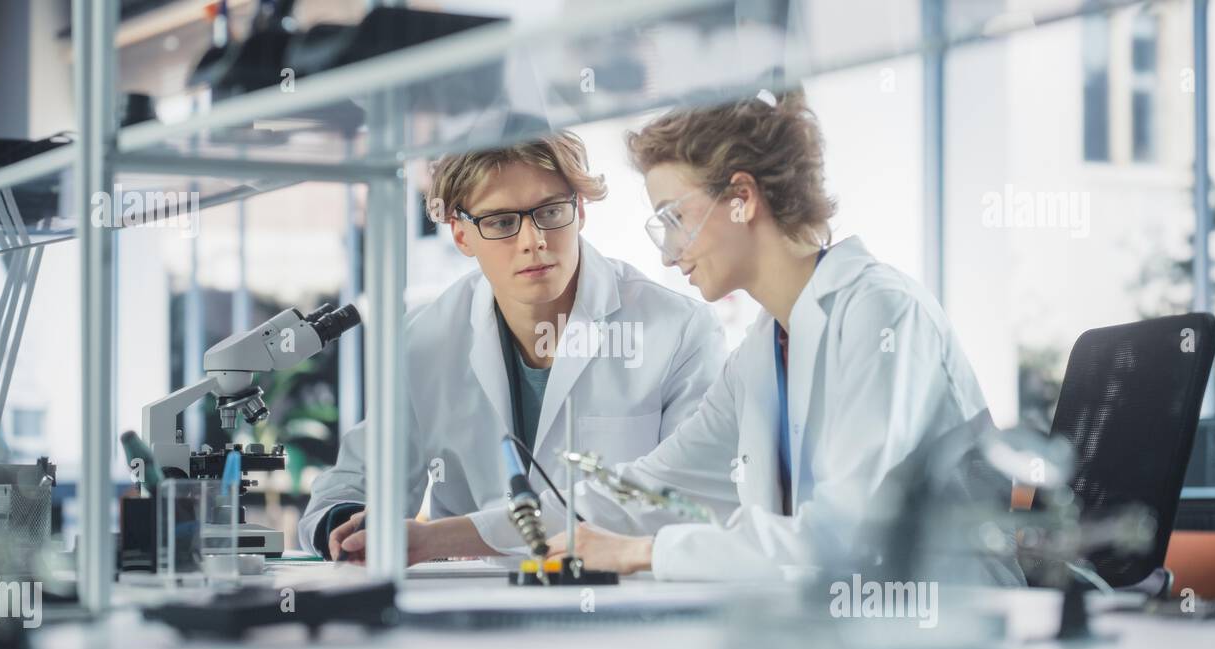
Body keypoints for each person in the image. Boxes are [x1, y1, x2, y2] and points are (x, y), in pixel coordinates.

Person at [543, 90, 1024, 585]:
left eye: (674, 218)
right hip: (838, 626)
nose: (668, 254)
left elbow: (850, 529)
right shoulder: (760, 350)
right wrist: (483, 530)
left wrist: (642, 552)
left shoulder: (881, 312)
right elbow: (651, 487)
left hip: (949, 626)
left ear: (741, 198)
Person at [298, 130, 727, 563]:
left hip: (626, 604)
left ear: (579, 211)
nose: (532, 240)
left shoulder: (678, 330)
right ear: (461, 236)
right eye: (502, 222)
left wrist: (441, 537)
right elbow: (356, 481)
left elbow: (685, 503)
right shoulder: (425, 339)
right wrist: (351, 524)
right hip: (478, 609)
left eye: (552, 211)